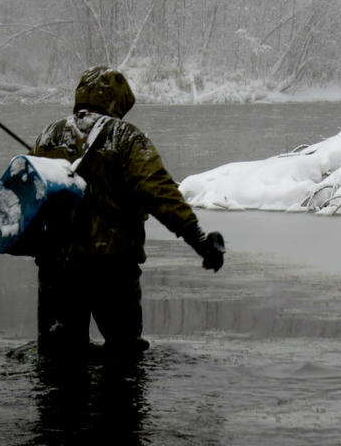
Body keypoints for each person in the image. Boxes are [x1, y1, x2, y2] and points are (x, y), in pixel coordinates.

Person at [29, 65, 225, 357]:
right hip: (113, 270)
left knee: (58, 365)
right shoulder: (126, 137)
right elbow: (159, 192)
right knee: (124, 360)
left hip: (57, 269)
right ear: (117, 100)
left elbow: (30, 197)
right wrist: (199, 240)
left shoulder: (48, 135)